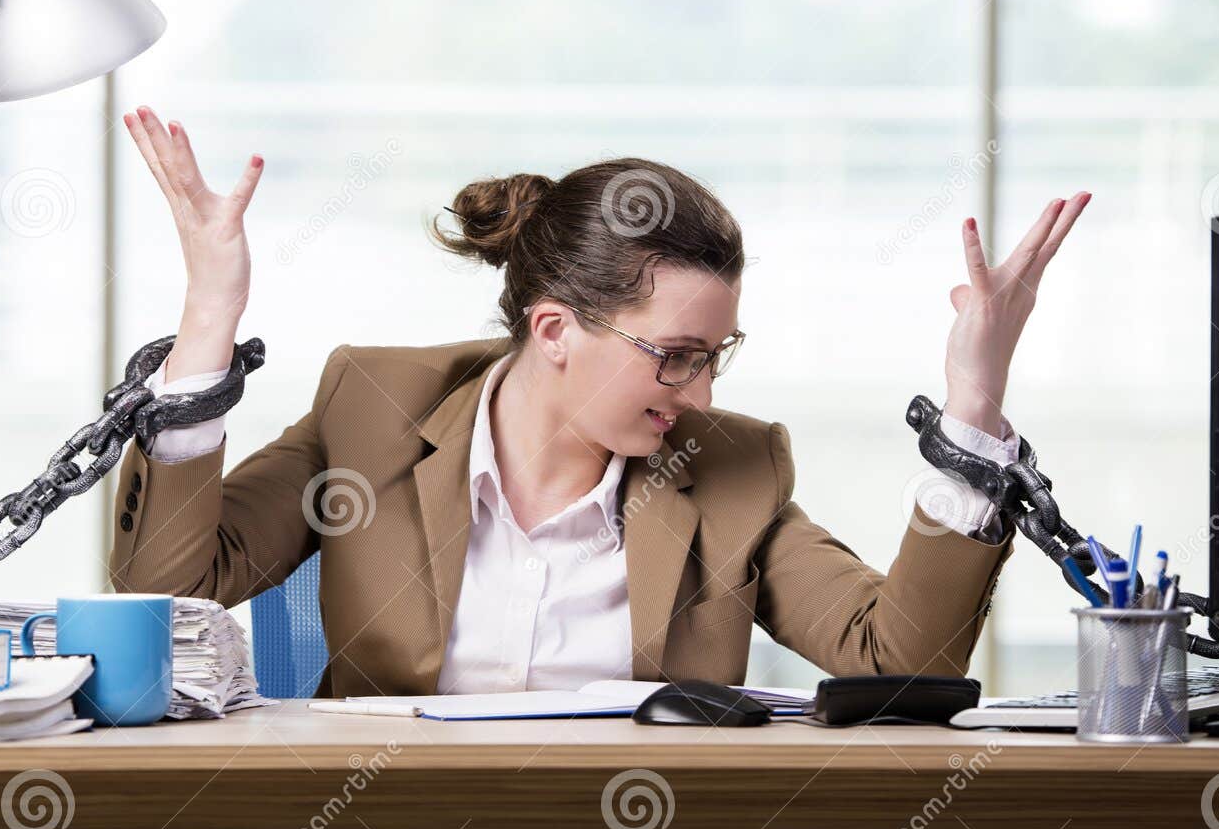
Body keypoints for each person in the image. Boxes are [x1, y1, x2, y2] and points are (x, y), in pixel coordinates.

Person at [109, 105, 1089, 697]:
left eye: (717, 356)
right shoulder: (372, 405)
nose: (702, 393)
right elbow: (168, 584)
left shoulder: (728, 467)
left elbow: (900, 664)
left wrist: (974, 405)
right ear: (553, 331)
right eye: (675, 357)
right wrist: (207, 320)